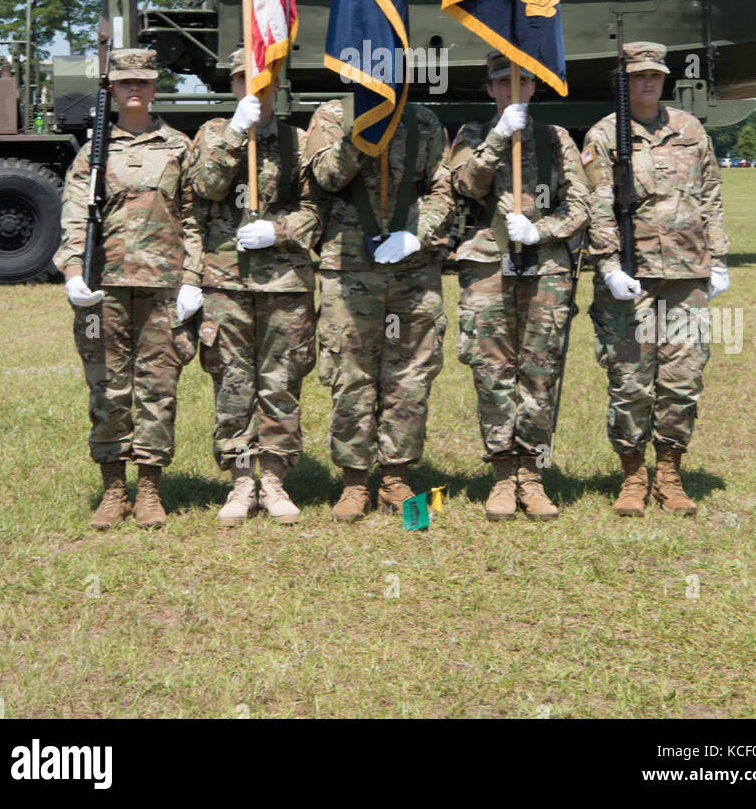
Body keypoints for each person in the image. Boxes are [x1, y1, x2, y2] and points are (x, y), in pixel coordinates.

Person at [55, 49, 203, 529]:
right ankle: (114, 488)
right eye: (124, 83)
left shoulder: (179, 146)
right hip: (106, 287)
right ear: (112, 91)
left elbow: (196, 219)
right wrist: (74, 271)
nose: (133, 89)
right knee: (108, 388)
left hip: (162, 286)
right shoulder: (93, 152)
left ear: (155, 88)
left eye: (142, 82)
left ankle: (151, 490)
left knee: (157, 388)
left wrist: (192, 278)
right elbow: (76, 214)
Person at [582, 42, 730, 517]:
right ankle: (632, 474)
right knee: (630, 382)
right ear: (623, 82)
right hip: (632, 275)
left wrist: (719, 257)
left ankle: (669, 471)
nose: (648, 82)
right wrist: (607, 265)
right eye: (638, 75)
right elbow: (597, 205)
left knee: (682, 380)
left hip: (688, 274)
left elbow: (710, 196)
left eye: (656, 75)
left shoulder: (690, 130)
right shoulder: (605, 135)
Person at [450, 52, 590, 521]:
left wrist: (543, 231)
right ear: (490, 90)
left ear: (534, 87)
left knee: (539, 371)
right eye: (502, 83)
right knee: (492, 373)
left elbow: (581, 206)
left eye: (523, 83)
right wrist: (497, 136)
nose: (514, 90)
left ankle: (532, 475)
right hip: (488, 267)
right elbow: (467, 185)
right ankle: (501, 476)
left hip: (545, 268)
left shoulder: (556, 139)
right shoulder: (472, 135)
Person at [188, 48, 325, 526]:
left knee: (282, 382)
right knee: (232, 381)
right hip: (226, 281)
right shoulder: (210, 135)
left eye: (264, 80)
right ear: (231, 87)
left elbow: (319, 212)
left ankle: (274, 478)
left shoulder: (298, 142)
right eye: (244, 81)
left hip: (285, 283)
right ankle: (241, 480)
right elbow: (205, 188)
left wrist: (280, 231)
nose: (255, 89)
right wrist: (234, 134)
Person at [303, 97, 453, 520]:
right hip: (350, 267)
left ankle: (396, 478)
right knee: (352, 374)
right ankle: (353, 482)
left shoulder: (423, 119)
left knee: (409, 376)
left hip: (413, 268)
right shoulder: (334, 116)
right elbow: (327, 175)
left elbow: (444, 188)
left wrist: (417, 233)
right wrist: (362, 131)